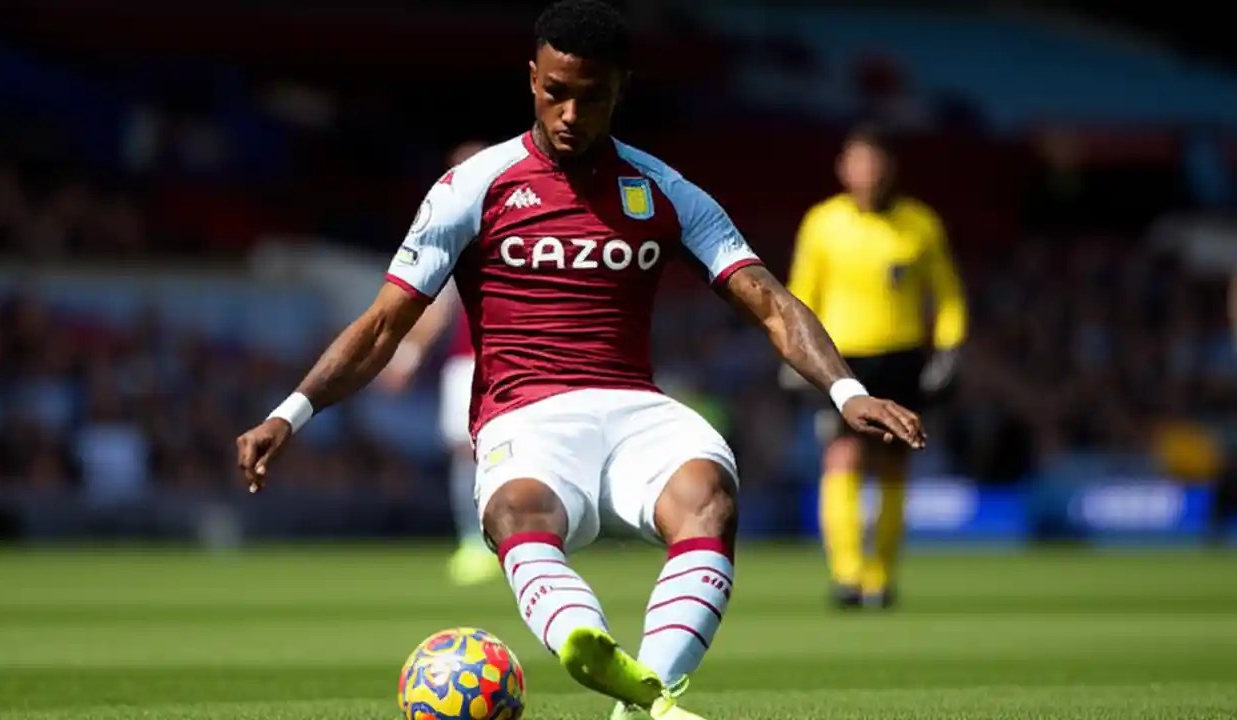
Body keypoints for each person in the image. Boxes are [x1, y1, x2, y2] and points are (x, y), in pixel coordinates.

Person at [236, 3, 925, 718]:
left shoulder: (665, 190)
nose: (569, 113)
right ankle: (594, 650)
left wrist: (848, 392)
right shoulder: (473, 186)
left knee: (709, 495)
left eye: (590, 96)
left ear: (621, 88)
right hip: (526, 417)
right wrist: (290, 414)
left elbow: (771, 303)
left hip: (636, 410)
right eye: (555, 92)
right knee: (515, 509)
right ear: (532, 79)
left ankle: (640, 699)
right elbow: (384, 323)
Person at [782, 123, 967, 610]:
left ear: (890, 168)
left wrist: (949, 348)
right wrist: (793, 354)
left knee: (893, 462)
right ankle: (847, 575)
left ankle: (881, 577)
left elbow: (947, 293)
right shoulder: (823, 223)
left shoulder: (920, 224)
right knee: (841, 457)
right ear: (843, 169)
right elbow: (802, 291)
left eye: (875, 163)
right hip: (841, 360)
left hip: (903, 356)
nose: (868, 173)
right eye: (859, 163)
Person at [376, 140, 502, 587]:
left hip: (521, 357)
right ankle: (476, 542)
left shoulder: (524, 219)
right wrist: (408, 355)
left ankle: (523, 538)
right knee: (466, 452)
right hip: (469, 360)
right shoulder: (452, 227)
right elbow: (438, 302)